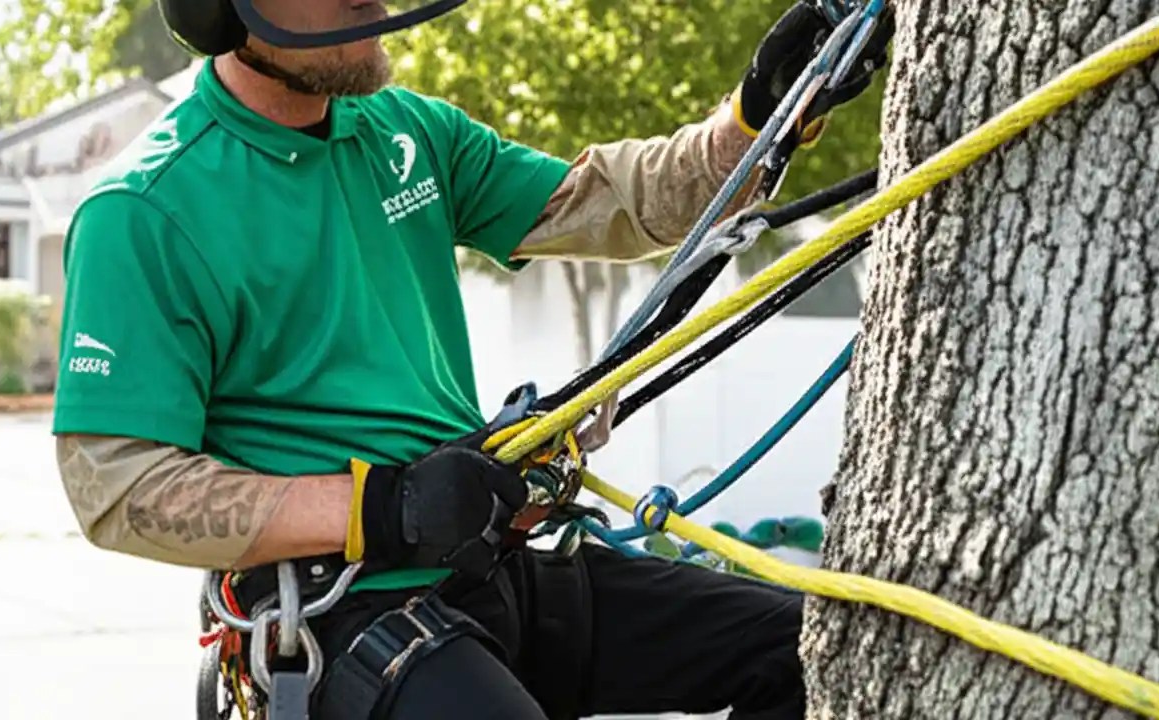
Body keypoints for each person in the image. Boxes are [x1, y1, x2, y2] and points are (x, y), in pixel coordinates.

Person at [51, 1, 889, 717]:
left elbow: (609, 204)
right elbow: (117, 486)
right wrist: (388, 506)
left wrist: (756, 117)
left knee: (813, 647)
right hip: (342, 616)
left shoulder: (408, 132)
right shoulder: (145, 213)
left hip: (492, 564)